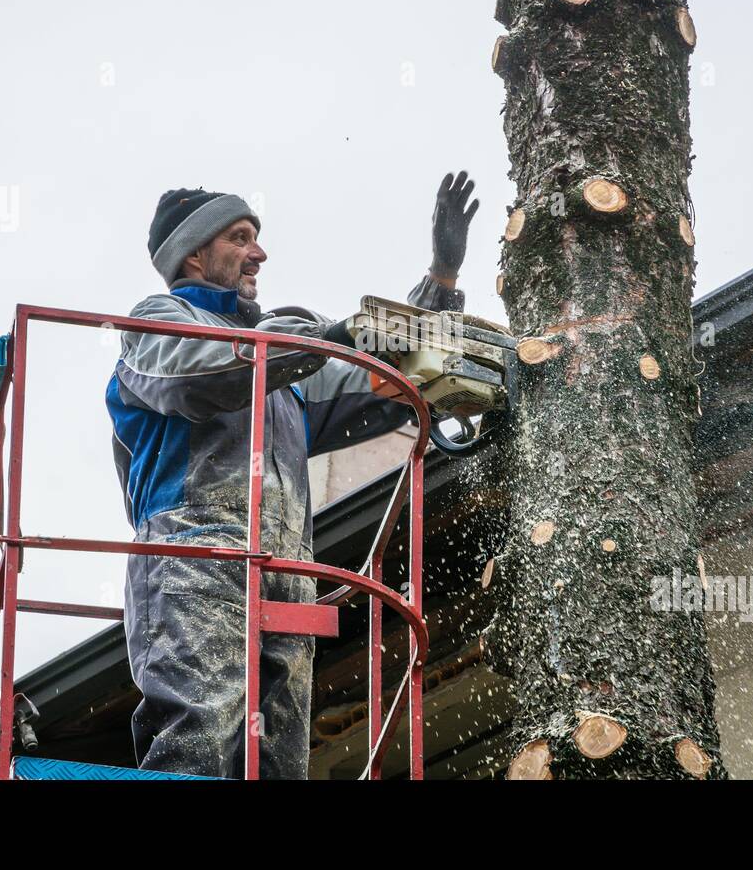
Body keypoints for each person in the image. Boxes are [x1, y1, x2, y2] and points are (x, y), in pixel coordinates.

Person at [106, 172, 478, 778]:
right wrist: (319, 340)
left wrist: (439, 280)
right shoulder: (157, 326)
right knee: (199, 736)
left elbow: (381, 376)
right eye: (241, 236)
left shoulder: (286, 368)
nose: (260, 252)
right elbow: (202, 375)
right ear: (193, 254)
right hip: (196, 558)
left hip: (287, 569)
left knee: (281, 760)